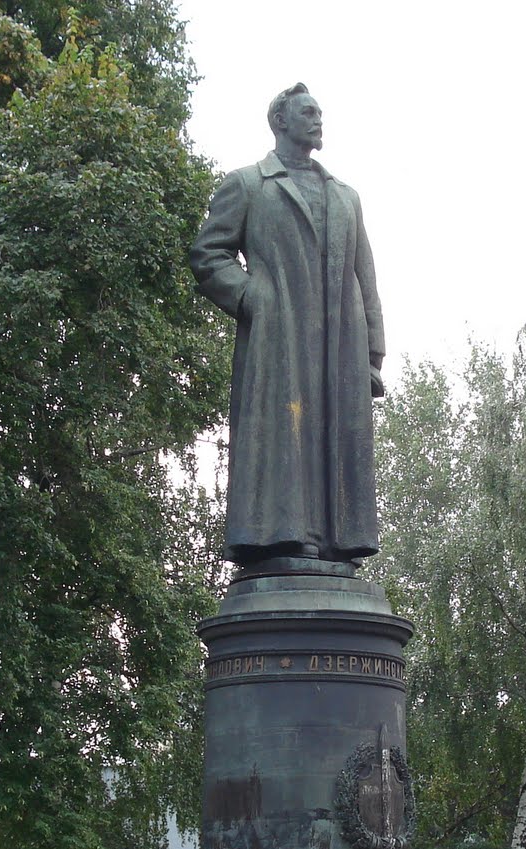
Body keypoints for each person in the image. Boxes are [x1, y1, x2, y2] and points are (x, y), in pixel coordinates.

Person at [190, 82, 385, 566]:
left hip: (341, 341)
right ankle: (284, 534)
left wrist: (372, 355)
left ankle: (340, 540)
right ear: (280, 121)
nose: (319, 120)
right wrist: (250, 294)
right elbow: (208, 253)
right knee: (286, 431)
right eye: (308, 113)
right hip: (281, 338)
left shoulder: (345, 196)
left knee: (336, 434)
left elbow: (366, 274)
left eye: (320, 113)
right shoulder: (249, 184)